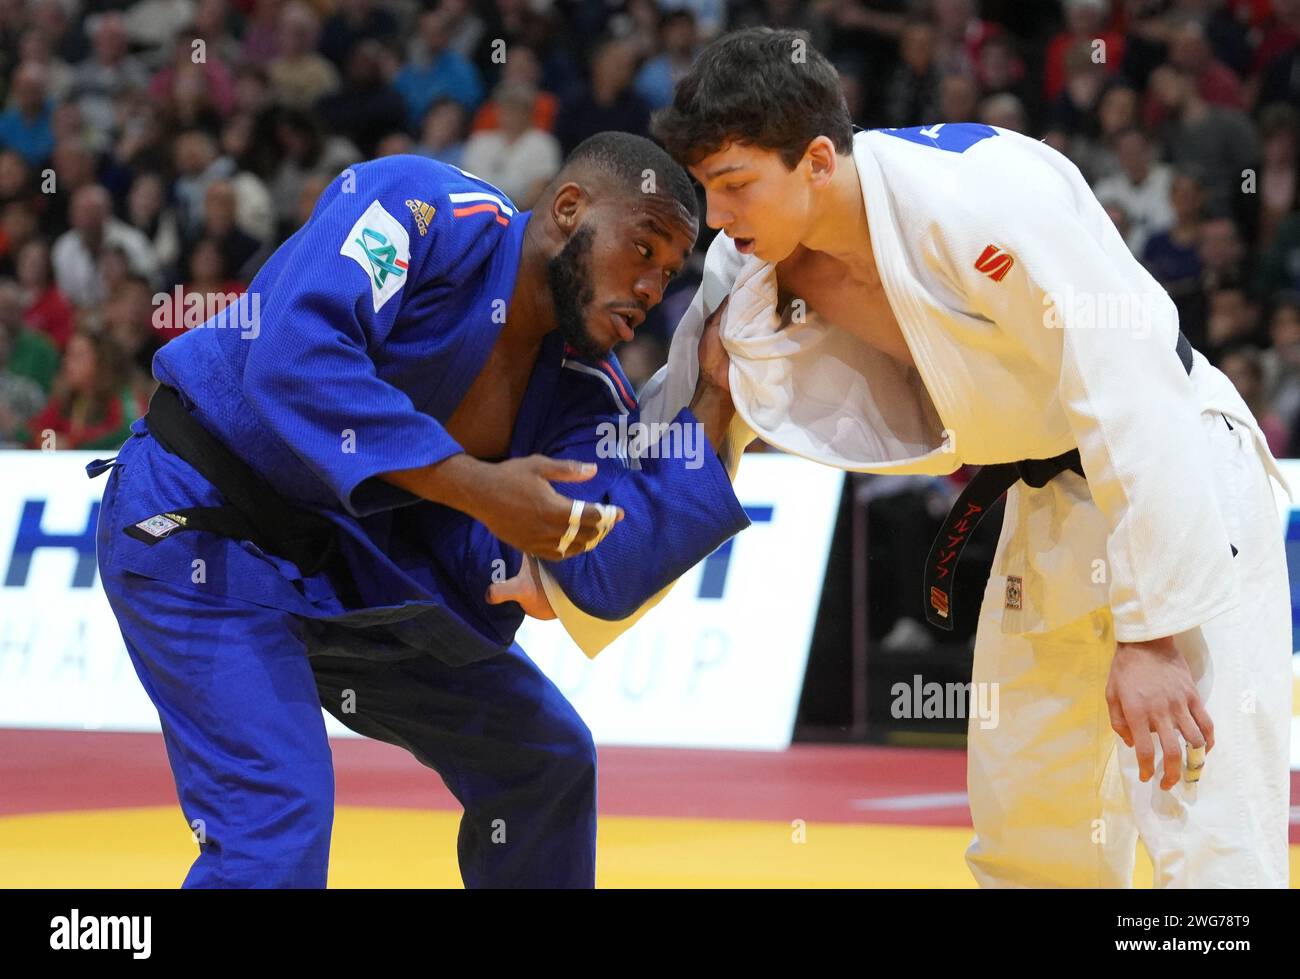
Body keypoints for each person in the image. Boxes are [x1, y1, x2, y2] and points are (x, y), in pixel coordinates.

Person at [565, 27, 1290, 888]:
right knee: (1031, 831)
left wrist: (1154, 634)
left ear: (819, 161)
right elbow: (676, 430)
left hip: (1181, 476)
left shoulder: (984, 198)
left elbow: (1130, 383)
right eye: (707, 189)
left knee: (1206, 832)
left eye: (734, 186)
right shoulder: (753, 274)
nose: (718, 215)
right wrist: (556, 562)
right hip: (1045, 499)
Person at [88, 132, 749, 888]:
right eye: (642, 249)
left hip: (355, 575)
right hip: (201, 522)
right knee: (276, 826)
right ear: (569, 209)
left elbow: (602, 560)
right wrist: (474, 484)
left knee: (544, 761)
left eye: (670, 273)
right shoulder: (427, 209)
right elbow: (293, 353)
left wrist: (713, 402)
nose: (651, 288)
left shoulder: (581, 383)